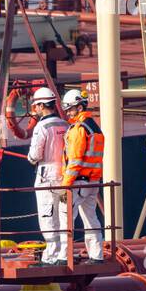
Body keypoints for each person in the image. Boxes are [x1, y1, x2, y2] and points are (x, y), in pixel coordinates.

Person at [60, 88, 106, 263]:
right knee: (91, 218)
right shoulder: (95, 128)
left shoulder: (79, 129)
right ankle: (96, 255)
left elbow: (75, 160)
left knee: (66, 217)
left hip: (78, 182)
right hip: (93, 181)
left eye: (70, 109)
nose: (68, 113)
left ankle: (64, 256)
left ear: (79, 107)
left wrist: (65, 185)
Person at [24, 87, 68, 265]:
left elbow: (35, 155)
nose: (35, 109)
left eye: (36, 106)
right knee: (64, 217)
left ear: (42, 105)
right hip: (65, 175)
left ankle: (50, 256)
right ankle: (63, 254)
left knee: (47, 217)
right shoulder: (65, 125)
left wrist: (30, 158)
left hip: (46, 176)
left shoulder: (41, 127)